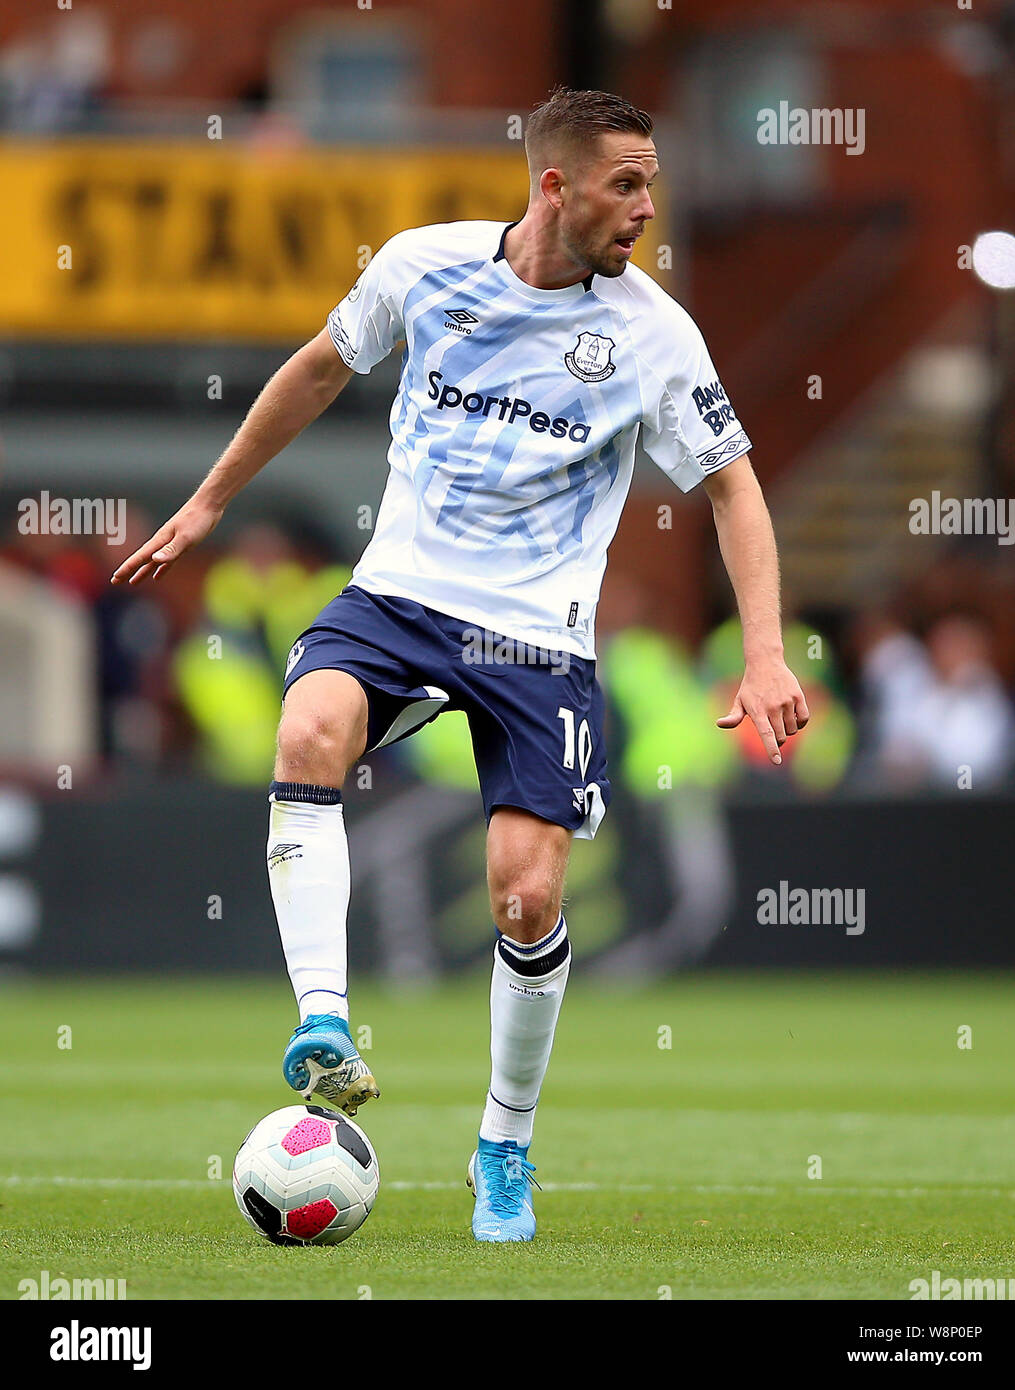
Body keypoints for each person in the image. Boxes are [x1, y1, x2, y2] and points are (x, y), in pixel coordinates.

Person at [112, 86, 808, 1242]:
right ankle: (326, 1025)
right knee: (306, 733)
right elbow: (317, 369)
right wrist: (209, 502)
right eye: (626, 181)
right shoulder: (425, 266)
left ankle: (504, 1144)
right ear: (554, 184)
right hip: (401, 595)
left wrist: (769, 650)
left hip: (539, 638)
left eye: (651, 181)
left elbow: (733, 486)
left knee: (526, 894)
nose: (647, 205)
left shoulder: (652, 333)